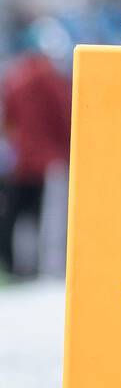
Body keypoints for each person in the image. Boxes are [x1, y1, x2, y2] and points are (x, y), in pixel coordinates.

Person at [0, 31, 71, 277]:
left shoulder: (14, 79)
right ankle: (50, 269)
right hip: (50, 160)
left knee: (23, 216)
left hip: (22, 161)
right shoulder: (52, 80)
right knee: (52, 217)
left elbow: (8, 121)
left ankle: (22, 268)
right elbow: (65, 119)